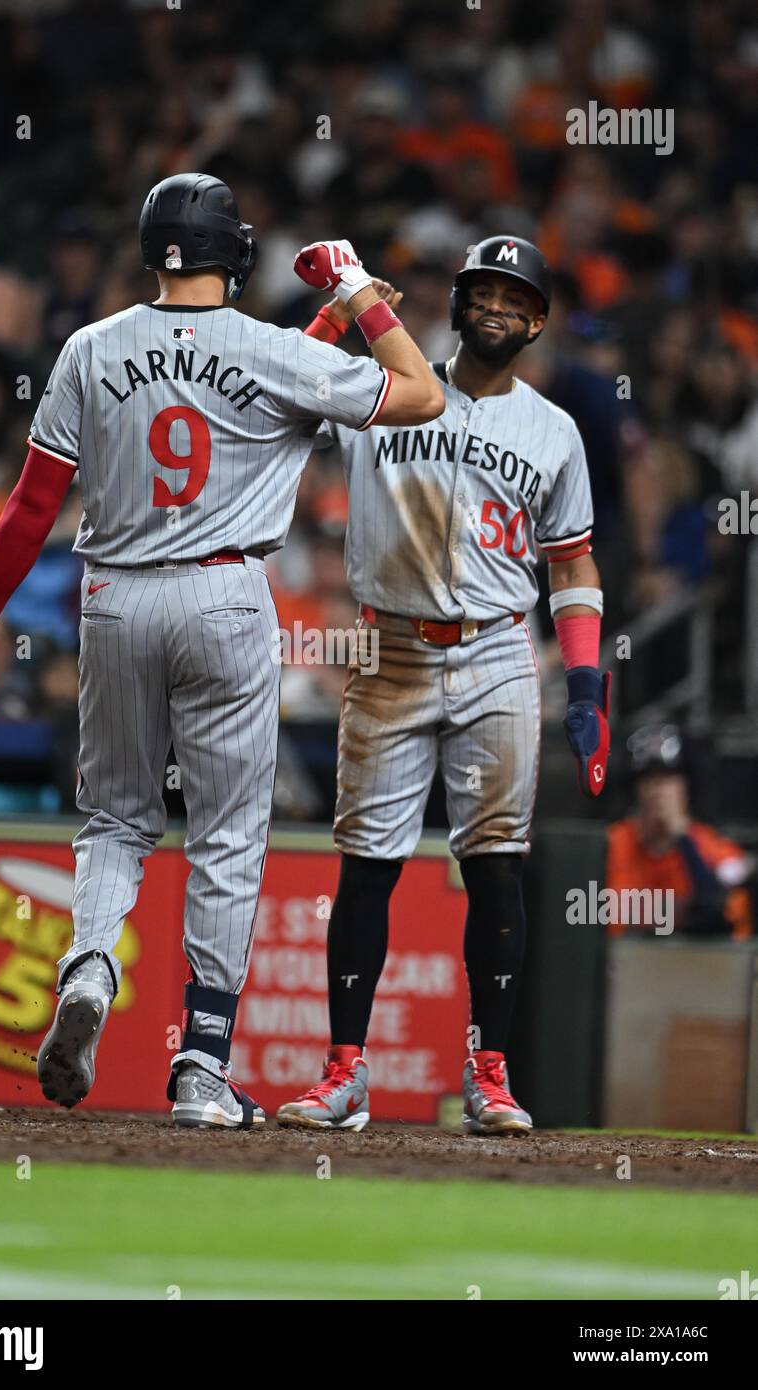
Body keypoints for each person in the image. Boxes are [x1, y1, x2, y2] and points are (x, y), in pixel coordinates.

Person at [0, 172, 443, 1129]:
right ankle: (203, 1068)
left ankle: (88, 968)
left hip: (117, 601)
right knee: (224, 838)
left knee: (117, 821)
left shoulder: (92, 346)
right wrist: (356, 287)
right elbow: (417, 393)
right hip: (224, 598)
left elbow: (32, 502)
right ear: (235, 253)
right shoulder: (264, 349)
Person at [277, 237, 610, 1135]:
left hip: (501, 651)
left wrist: (585, 682)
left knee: (497, 868)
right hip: (389, 648)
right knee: (366, 868)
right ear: (457, 303)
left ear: (537, 320)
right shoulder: (389, 380)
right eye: (483, 291)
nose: (497, 307)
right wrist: (343, 309)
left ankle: (490, 1075)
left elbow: (572, 562)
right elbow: (286, 381)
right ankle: (344, 1072)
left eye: (516, 297)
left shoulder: (554, 431)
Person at [607, 725, 753, 939]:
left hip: (695, 966)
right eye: (649, 779)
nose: (658, 790)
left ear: (687, 787)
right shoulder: (611, 845)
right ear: (635, 790)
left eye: (669, 778)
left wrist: (684, 841)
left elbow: (727, 927)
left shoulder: (719, 853)